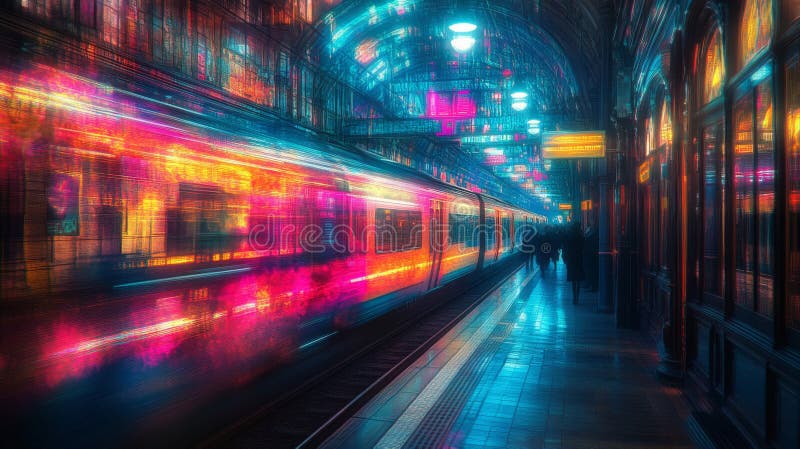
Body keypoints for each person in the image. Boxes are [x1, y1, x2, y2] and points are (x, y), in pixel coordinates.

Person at [564, 222, 585, 304]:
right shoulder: (581, 237)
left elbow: (566, 248)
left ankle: (574, 297)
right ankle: (577, 297)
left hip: (571, 260)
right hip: (579, 259)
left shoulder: (569, 236)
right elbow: (584, 247)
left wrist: (565, 258)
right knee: (578, 279)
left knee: (573, 280)